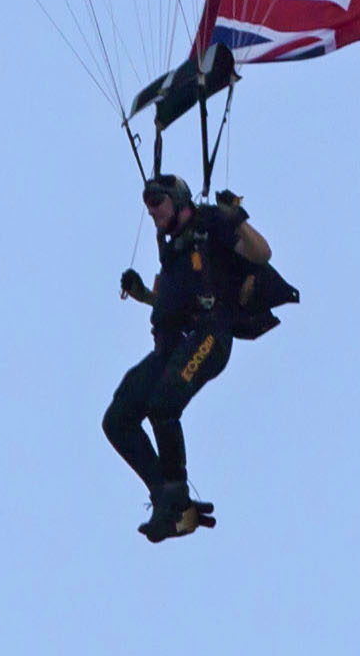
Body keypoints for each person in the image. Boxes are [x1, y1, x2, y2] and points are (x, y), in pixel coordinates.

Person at [103, 173, 273, 542]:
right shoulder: (174, 247)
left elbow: (262, 255)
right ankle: (166, 499)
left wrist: (237, 221)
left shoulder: (209, 225)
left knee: (164, 404)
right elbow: (177, 298)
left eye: (158, 204)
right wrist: (145, 295)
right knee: (118, 419)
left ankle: (177, 497)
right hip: (171, 345)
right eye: (148, 209)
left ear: (177, 199)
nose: (153, 215)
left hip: (209, 335)